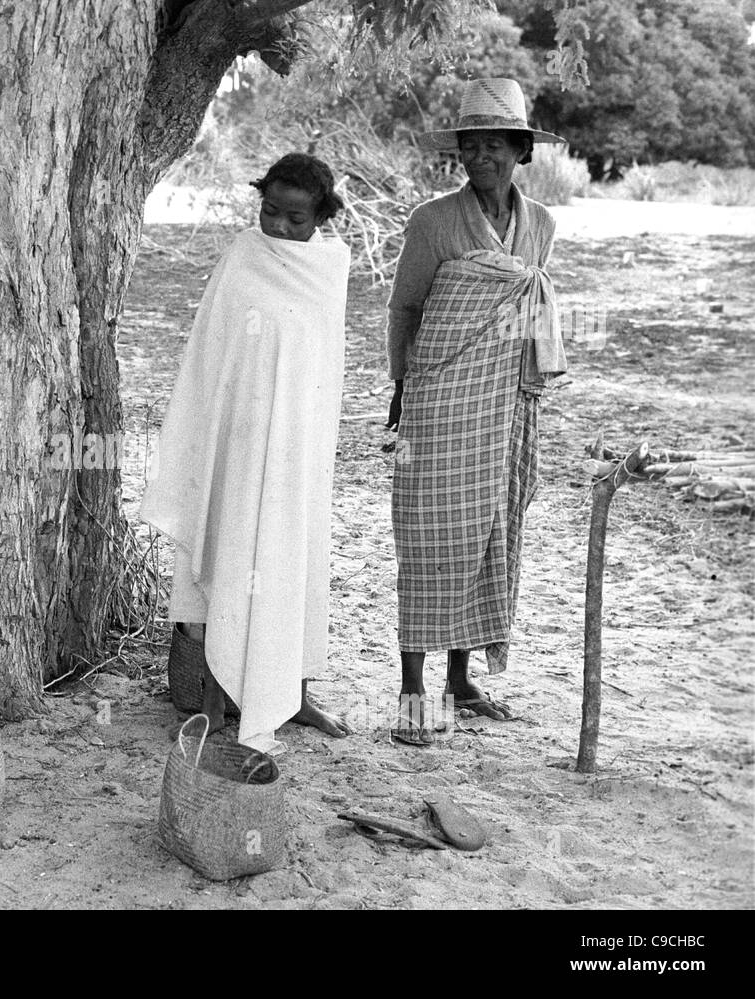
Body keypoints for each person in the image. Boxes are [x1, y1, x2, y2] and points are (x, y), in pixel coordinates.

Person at [141, 152, 353, 757]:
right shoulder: (241, 258)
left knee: (293, 563)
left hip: (297, 451)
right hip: (236, 443)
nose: (280, 228)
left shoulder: (330, 265)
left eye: (295, 218)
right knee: (233, 556)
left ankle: (295, 693)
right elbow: (211, 358)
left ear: (321, 218)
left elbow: (322, 369)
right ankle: (213, 698)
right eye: (270, 213)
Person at [385, 78, 568, 745]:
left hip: (505, 406)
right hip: (439, 399)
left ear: (521, 150)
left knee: (489, 533)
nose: (480, 156)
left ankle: (459, 680)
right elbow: (406, 309)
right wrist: (401, 387)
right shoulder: (433, 222)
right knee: (430, 537)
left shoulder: (541, 225)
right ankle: (411, 691)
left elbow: (526, 314)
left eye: (495, 144)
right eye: (471, 144)